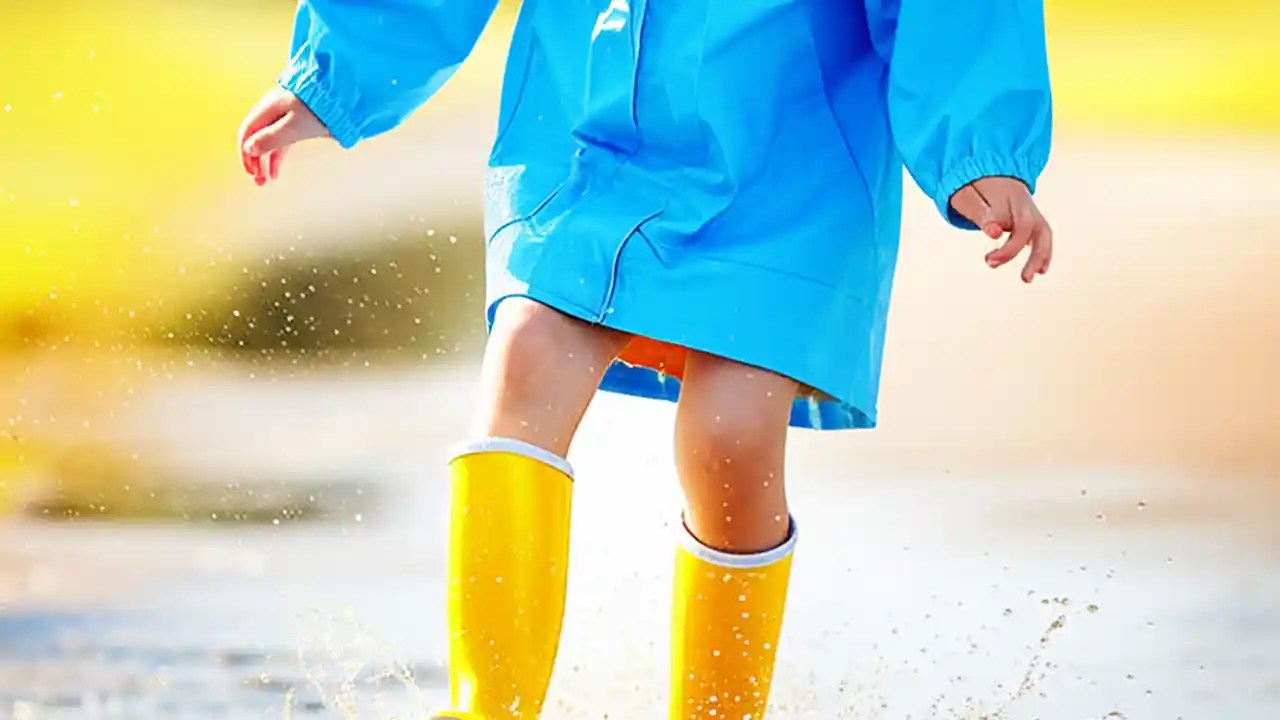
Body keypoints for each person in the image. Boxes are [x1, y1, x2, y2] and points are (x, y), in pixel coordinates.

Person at [237, 1, 1054, 717]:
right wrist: (334, 76)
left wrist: (977, 146)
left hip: (789, 150)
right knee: (526, 358)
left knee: (731, 437)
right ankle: (487, 711)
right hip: (588, 129)